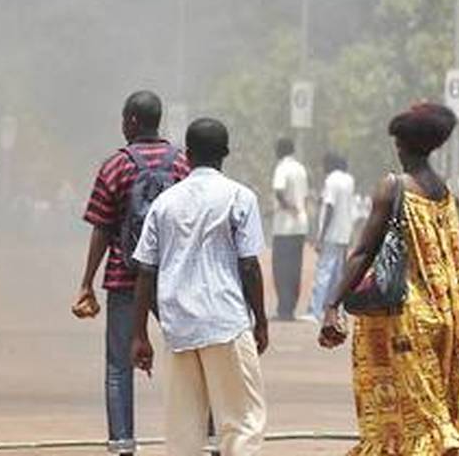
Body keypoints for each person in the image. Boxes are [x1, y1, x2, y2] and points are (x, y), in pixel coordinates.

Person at [318, 103, 459, 455]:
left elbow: (364, 252)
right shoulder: (446, 194)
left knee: (415, 419)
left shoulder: (392, 187)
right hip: (448, 320)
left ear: (402, 144)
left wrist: (331, 304)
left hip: (407, 320)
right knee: (435, 408)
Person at [131, 117, 269, 456]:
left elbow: (145, 270)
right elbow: (249, 265)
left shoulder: (164, 203)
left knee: (183, 430)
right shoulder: (240, 197)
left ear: (187, 155)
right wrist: (261, 321)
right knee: (242, 422)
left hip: (178, 326)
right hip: (226, 321)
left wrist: (139, 334)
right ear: (225, 153)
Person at [72, 90, 189, 456]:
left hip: (125, 277)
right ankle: (208, 436)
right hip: (173, 278)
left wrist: (87, 282)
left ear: (133, 121)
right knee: (194, 356)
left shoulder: (115, 166)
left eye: (124, 119)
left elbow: (102, 227)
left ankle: (122, 443)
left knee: (118, 366)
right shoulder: (182, 164)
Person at [304, 152, 354, 321]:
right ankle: (336, 309)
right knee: (338, 275)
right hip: (344, 233)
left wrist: (321, 236)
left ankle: (315, 310)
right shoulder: (348, 180)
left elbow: (330, 208)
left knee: (323, 273)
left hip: (331, 234)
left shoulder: (331, 180)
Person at [270, 137, 308, 321]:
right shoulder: (300, 169)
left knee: (281, 270)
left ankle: (283, 309)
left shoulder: (282, 168)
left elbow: (279, 190)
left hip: (284, 226)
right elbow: (304, 196)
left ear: (279, 151)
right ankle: (290, 308)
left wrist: (287, 206)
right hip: (300, 225)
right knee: (295, 269)